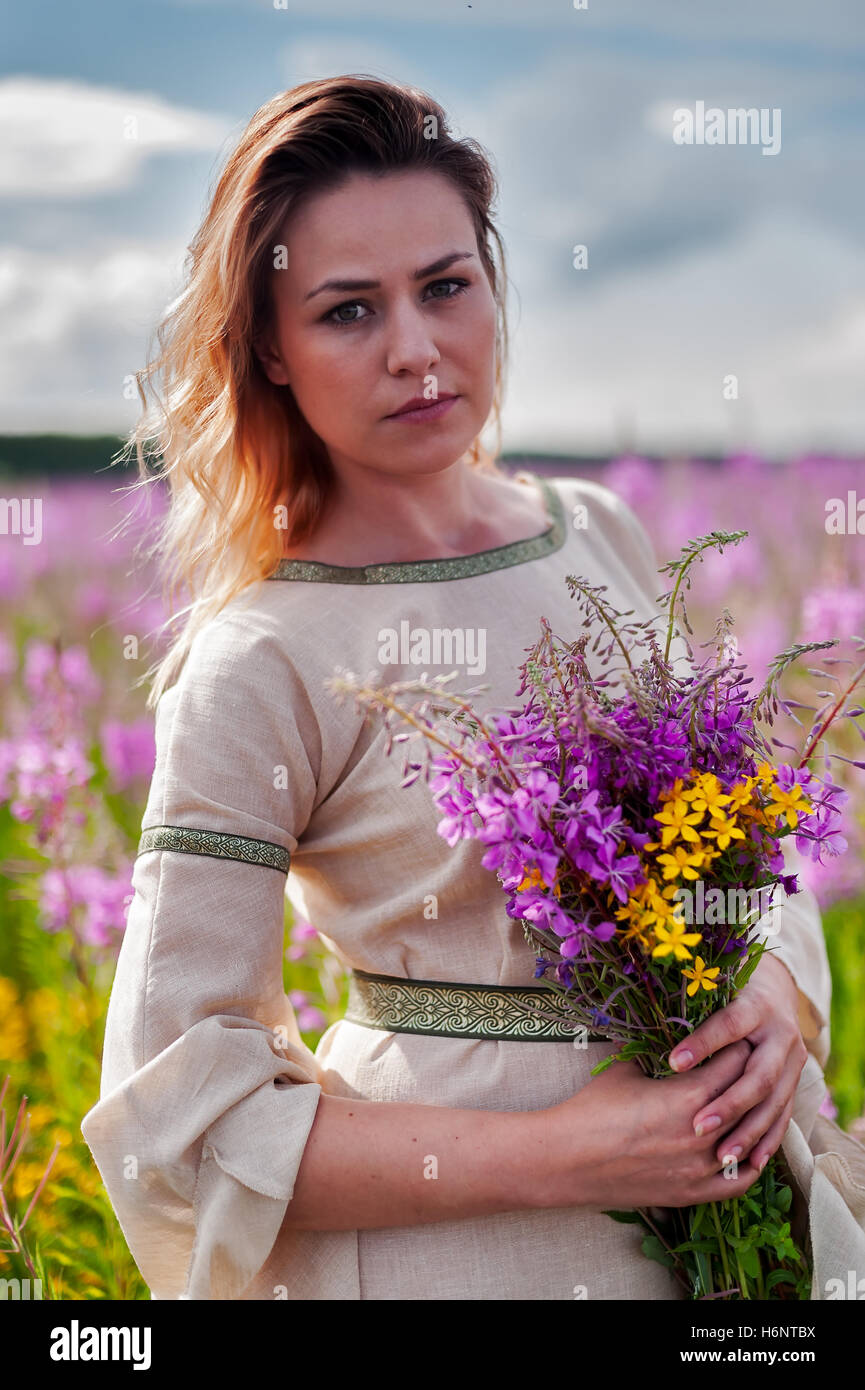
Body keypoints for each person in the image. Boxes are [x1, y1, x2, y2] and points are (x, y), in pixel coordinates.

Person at [80, 75, 861, 1301]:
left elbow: (748, 849)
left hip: (743, 1223)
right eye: (347, 311)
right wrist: (568, 1153)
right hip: (472, 1261)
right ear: (270, 351)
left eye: (445, 286)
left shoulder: (594, 528)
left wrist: (762, 985)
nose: (415, 349)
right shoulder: (259, 657)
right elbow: (187, 1109)